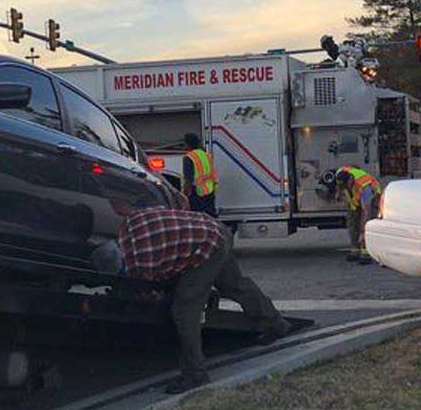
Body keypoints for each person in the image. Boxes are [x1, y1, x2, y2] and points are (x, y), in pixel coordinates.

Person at [116, 187, 290, 394]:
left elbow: (149, 286)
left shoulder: (138, 253)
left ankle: (195, 373)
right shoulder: (134, 220)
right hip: (216, 230)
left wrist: (151, 297)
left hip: (206, 246)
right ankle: (276, 323)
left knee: (184, 310)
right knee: (234, 285)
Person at [335, 166, 381, 265]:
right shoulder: (341, 173)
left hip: (372, 199)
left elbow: (366, 212)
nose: (345, 188)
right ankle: (355, 249)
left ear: (351, 179)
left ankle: (366, 252)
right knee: (352, 222)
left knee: (367, 224)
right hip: (355, 199)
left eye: (346, 185)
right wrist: (339, 193)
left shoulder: (365, 187)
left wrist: (362, 232)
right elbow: (340, 185)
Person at [181, 132, 218, 217]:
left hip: (197, 193)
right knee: (210, 216)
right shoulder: (205, 155)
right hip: (209, 190)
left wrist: (184, 195)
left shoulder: (189, 157)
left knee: (197, 217)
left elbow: (188, 179)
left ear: (187, 144)